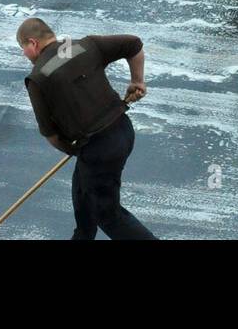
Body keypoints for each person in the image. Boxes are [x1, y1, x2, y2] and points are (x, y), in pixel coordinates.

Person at [17, 17, 155, 240]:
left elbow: (51, 135)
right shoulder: (85, 45)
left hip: (99, 149)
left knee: (108, 214)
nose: (24, 54)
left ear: (32, 43)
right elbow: (134, 44)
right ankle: (83, 236)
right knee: (83, 188)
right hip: (123, 130)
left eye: (22, 48)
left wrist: (73, 149)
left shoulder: (38, 78)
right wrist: (138, 81)